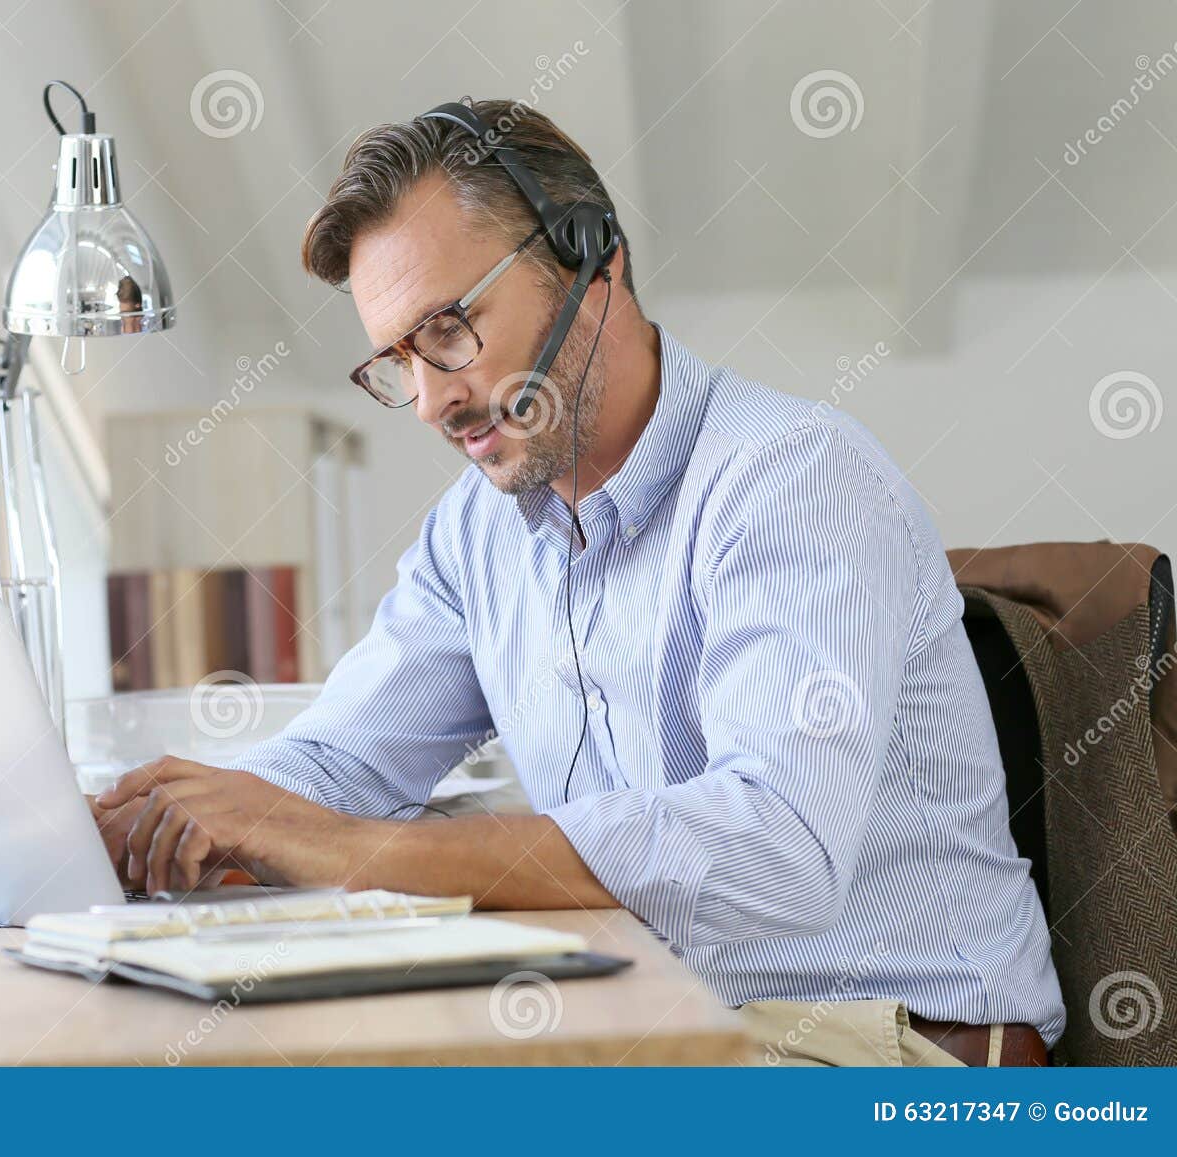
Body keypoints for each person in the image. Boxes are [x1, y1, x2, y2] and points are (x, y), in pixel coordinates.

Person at [92, 99, 1063, 1066]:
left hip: (896, 1052)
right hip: (670, 1032)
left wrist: (353, 852)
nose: (431, 399)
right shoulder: (475, 537)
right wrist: (163, 822)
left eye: (449, 328)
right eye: (397, 360)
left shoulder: (790, 478)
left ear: (595, 263)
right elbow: (337, 765)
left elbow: (779, 845)